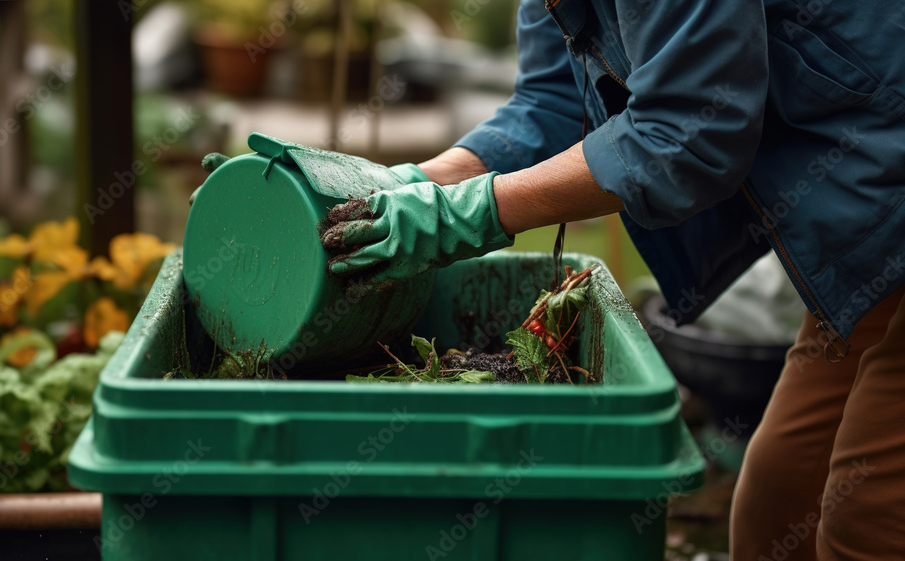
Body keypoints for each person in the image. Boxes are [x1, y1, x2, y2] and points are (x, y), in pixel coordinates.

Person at [320, 1, 905, 559]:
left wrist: (473, 212)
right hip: (873, 242)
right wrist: (415, 185)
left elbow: (686, 135)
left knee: (868, 522)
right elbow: (552, 104)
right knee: (779, 506)